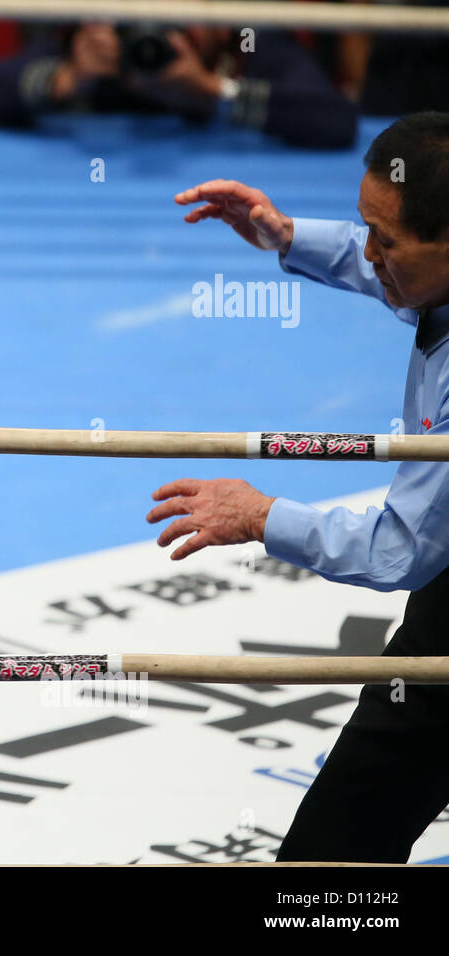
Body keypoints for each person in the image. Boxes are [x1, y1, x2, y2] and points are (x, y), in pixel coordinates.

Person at [146, 112, 449, 862]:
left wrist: (258, 516)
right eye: (364, 227)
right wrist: (286, 236)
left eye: (388, 240)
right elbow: (386, 264)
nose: (371, 253)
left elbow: (398, 550)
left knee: (334, 852)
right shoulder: (427, 271)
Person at [0, 22, 357, 149]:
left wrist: (213, 93)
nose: (165, 35)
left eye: (183, 15)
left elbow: (335, 121)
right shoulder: (111, 48)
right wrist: (65, 80)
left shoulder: (249, 48)